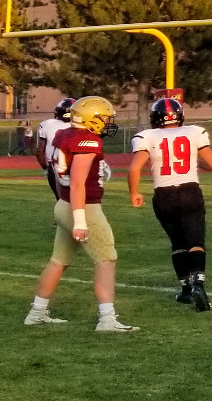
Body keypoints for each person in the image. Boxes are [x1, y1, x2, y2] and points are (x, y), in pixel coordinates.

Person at [24, 96, 137, 332]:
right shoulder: (87, 140)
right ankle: (107, 319)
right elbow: (77, 183)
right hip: (82, 206)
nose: (107, 123)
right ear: (92, 119)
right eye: (104, 118)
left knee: (59, 261)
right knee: (106, 259)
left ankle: (37, 313)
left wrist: (97, 170)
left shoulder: (64, 134)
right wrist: (80, 221)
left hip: (64, 204)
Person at [128, 96, 212, 311]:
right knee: (196, 241)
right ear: (179, 116)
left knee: (178, 244)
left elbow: (134, 168)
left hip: (163, 195)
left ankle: (186, 289)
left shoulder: (146, 135)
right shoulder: (194, 132)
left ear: (156, 118)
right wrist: (193, 160)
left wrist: (134, 192)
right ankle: (199, 284)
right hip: (190, 191)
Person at [36, 97, 74, 200]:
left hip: (55, 167)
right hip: (75, 165)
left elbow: (40, 151)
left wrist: (45, 169)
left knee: (61, 200)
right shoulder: (80, 125)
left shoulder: (47, 124)